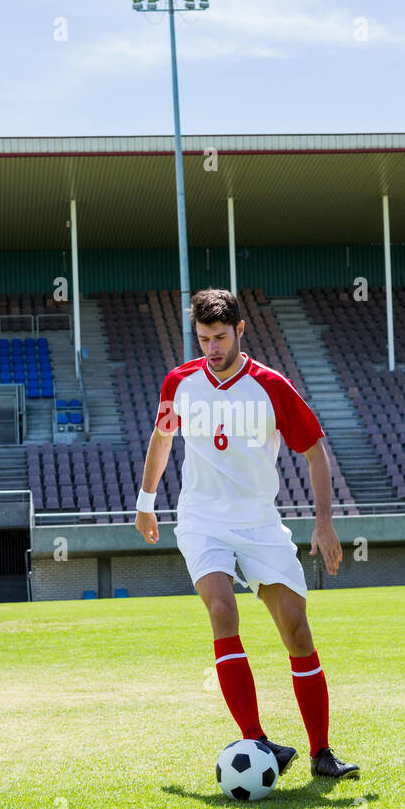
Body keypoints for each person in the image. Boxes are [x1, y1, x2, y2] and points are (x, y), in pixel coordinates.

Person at [134, 288, 359, 780]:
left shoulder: (271, 386)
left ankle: (322, 753)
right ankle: (256, 741)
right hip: (202, 521)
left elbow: (315, 450)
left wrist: (324, 523)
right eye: (202, 339)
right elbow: (162, 437)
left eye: (219, 337)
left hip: (259, 524)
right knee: (221, 607)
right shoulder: (179, 382)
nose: (211, 348)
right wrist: (146, 503)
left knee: (297, 631)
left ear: (240, 330)